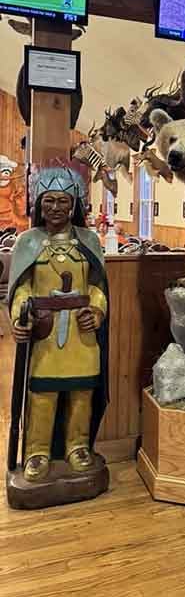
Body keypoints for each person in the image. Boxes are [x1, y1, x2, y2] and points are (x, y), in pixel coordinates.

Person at [8, 168, 109, 482]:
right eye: (49, 200)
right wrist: (18, 316)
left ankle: (77, 447)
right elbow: (21, 287)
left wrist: (97, 309)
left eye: (62, 201)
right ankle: (37, 452)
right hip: (45, 333)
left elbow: (97, 286)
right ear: (39, 203)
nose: (55, 207)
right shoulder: (28, 242)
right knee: (42, 394)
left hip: (82, 335)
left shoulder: (88, 240)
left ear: (74, 204)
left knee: (82, 393)